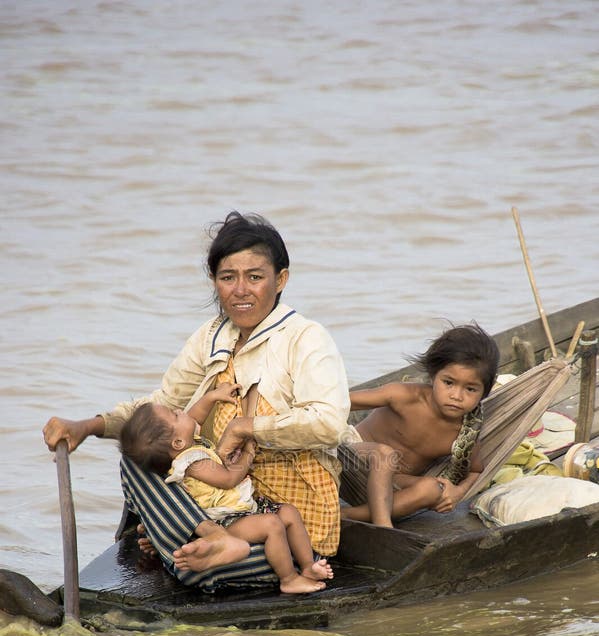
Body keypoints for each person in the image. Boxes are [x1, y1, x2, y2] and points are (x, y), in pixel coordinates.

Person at [43, 211, 349, 591]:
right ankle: (203, 539)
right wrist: (88, 426)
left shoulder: (305, 338)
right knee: (138, 453)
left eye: (255, 277)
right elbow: (161, 406)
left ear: (280, 280)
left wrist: (247, 426)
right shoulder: (211, 336)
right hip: (224, 507)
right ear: (214, 282)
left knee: (202, 563)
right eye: (227, 277)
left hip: (285, 519)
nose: (240, 290)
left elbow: (329, 422)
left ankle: (185, 545)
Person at [119, 396, 334, 594]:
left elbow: (193, 416)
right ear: (177, 443)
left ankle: (308, 567)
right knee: (272, 525)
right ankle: (289, 579)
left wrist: (212, 396)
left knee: (288, 512)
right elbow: (229, 479)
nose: (179, 410)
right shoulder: (192, 462)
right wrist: (248, 454)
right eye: (175, 414)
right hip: (227, 520)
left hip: (244, 508)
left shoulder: (191, 443)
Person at [340, 323, 500, 527]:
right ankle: (384, 528)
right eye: (448, 383)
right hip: (351, 461)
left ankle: (349, 515)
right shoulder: (404, 397)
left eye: (470, 389)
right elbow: (341, 402)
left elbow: (477, 471)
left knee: (434, 489)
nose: (456, 396)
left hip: (394, 482)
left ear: (484, 392)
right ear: (434, 376)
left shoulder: (464, 435)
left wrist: (457, 492)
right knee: (385, 454)